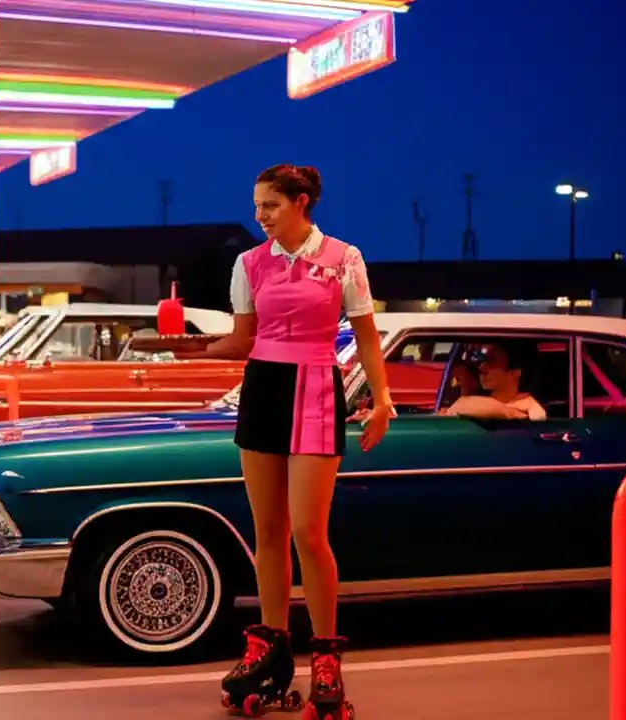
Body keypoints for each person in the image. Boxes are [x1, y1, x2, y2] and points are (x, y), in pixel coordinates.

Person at [180, 164, 393, 718]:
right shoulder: (249, 263)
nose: (259, 217)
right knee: (267, 531)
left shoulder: (344, 258)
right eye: (256, 206)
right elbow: (243, 340)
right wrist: (186, 349)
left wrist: (383, 401)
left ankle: (326, 657)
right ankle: (270, 649)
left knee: (307, 531)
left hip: (319, 389)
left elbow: (367, 338)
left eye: (269, 206)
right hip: (263, 390)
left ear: (301, 203)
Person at [440, 341, 546, 420]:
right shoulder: (520, 406)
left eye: (491, 362)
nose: (481, 368)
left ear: (514, 372)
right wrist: (511, 411)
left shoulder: (527, 402)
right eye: (483, 361)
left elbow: (538, 416)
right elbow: (461, 405)